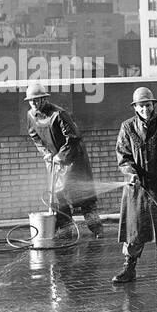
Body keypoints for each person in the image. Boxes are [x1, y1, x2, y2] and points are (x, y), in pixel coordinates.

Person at [112, 85, 157, 284]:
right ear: (135, 108)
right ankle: (129, 268)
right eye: (141, 106)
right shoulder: (127, 127)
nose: (145, 109)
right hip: (137, 190)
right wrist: (130, 173)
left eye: (148, 105)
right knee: (134, 231)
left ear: (153, 104)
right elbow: (123, 156)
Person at [23, 81, 103, 240]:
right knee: (59, 196)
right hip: (54, 161)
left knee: (83, 197)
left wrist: (61, 156)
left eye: (37, 100)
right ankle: (66, 230)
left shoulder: (59, 114)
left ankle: (97, 229)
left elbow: (73, 137)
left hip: (74, 160)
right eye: (31, 101)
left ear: (44, 99)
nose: (34, 103)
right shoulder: (31, 115)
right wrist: (46, 153)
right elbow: (35, 137)